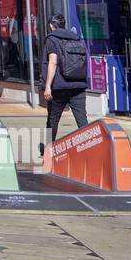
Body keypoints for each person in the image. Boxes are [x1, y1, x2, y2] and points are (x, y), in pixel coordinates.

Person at [40, 13, 89, 155]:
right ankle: (88, 149)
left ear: (51, 25)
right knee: (82, 120)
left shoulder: (52, 39)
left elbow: (53, 62)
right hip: (78, 85)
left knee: (52, 120)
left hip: (59, 86)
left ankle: (49, 150)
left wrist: (48, 86)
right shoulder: (76, 37)